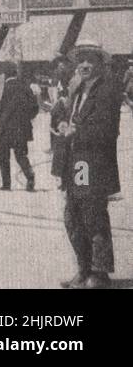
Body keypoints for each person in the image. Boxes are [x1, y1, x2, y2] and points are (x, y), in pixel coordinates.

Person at [55, 41, 122, 289]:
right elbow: (67, 116)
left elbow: (107, 130)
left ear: (100, 64)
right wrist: (63, 122)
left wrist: (76, 131)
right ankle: (84, 269)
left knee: (91, 216)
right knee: (73, 217)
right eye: (80, 60)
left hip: (91, 163)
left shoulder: (107, 90)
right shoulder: (79, 88)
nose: (84, 65)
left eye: (90, 60)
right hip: (75, 162)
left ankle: (99, 273)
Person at [0, 62, 38, 192]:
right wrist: (25, 118)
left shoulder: (1, 89)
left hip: (5, 128)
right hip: (22, 128)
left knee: (4, 157)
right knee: (21, 155)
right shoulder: (25, 87)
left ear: (5, 75)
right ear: (16, 73)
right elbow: (35, 108)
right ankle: (29, 175)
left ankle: (6, 184)